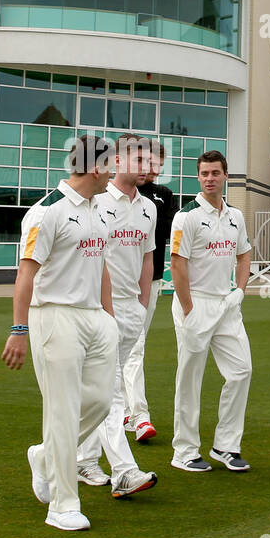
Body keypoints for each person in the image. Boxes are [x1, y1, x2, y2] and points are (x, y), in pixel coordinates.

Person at [0, 135, 155, 532]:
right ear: (95, 167)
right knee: (63, 410)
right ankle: (63, 505)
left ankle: (45, 457)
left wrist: (107, 315)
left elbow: (100, 263)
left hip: (95, 318)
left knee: (103, 403)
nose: (115, 172)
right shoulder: (45, 213)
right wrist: (19, 330)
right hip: (55, 317)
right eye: (110, 165)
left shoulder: (97, 210)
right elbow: (26, 274)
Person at [76, 134, 160, 494]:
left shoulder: (149, 207)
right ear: (120, 163)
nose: (147, 168)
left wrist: (141, 304)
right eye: (139, 161)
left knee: (100, 392)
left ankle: (81, 459)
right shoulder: (95, 201)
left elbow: (147, 256)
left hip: (131, 310)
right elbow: (90, 257)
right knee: (110, 392)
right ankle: (124, 471)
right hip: (99, 309)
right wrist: (104, 308)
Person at [169, 151, 253, 473]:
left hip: (226, 304)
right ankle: (184, 451)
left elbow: (244, 255)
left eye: (215, 173)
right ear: (198, 177)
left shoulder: (235, 216)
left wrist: (240, 291)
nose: (209, 179)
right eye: (204, 173)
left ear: (226, 176)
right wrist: (189, 308)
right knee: (190, 378)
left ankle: (226, 446)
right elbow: (178, 264)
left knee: (241, 371)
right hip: (196, 303)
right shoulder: (186, 216)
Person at [122, 138, 175, 441]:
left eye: (155, 164)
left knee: (131, 348)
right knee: (133, 348)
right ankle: (139, 415)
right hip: (115, 286)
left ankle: (125, 410)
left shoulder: (162, 196)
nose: (150, 169)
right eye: (144, 162)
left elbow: (167, 230)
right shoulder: (117, 194)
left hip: (150, 282)